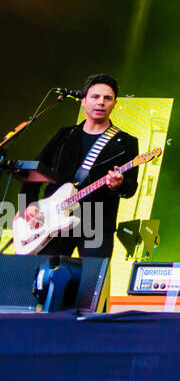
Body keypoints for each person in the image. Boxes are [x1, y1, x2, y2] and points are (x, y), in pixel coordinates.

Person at [19, 74, 139, 259]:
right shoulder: (65, 135)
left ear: (114, 104)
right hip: (53, 220)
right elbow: (34, 172)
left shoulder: (126, 143)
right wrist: (28, 205)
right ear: (83, 101)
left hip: (97, 223)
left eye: (107, 98)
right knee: (44, 279)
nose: (100, 102)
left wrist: (120, 184)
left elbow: (130, 187)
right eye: (95, 97)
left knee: (92, 282)